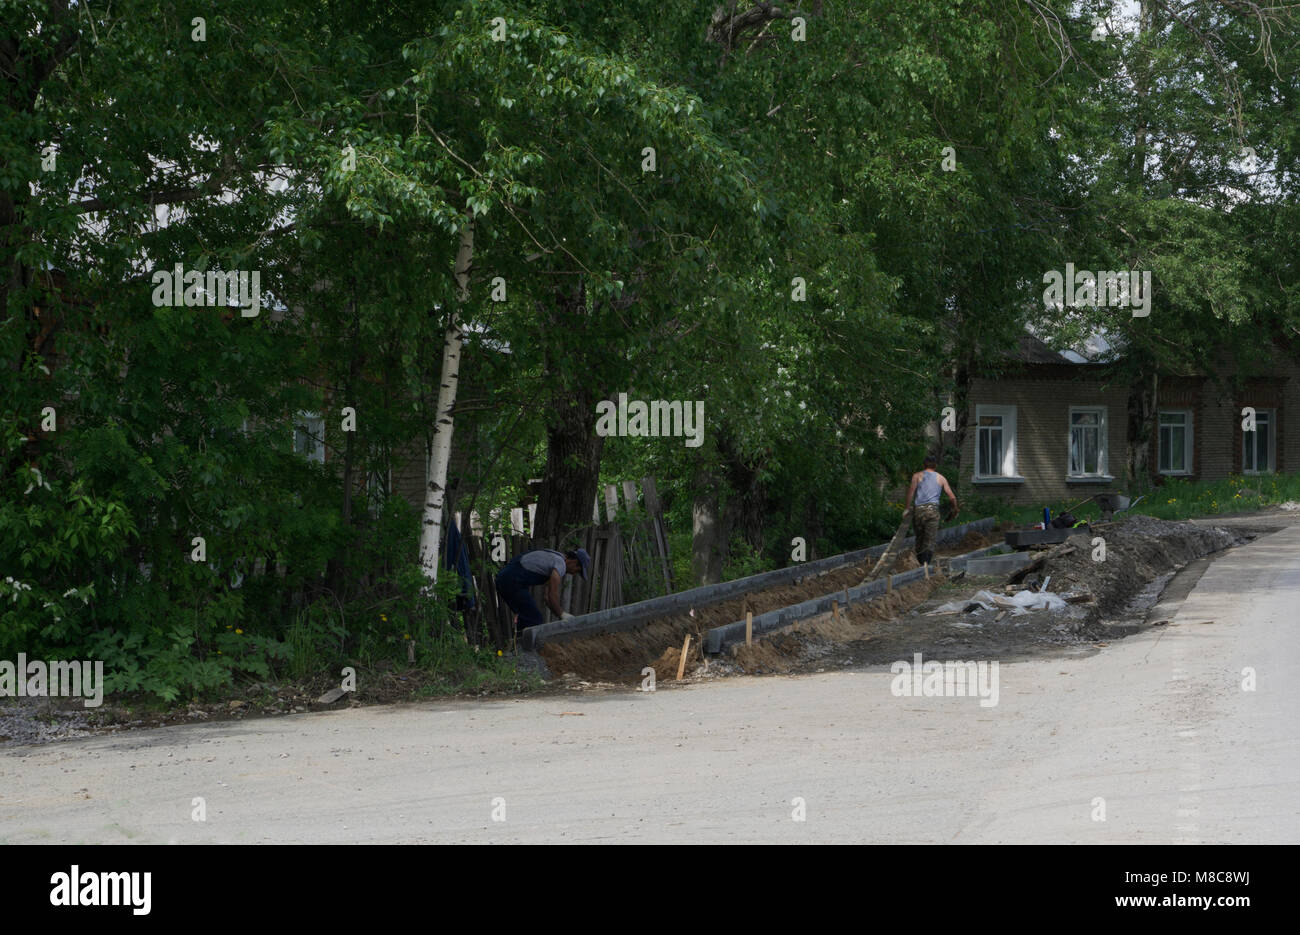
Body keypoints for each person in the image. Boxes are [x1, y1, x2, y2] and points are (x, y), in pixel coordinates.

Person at [495, 547, 591, 634]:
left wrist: (561, 615)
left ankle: (517, 647)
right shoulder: (560, 564)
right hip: (511, 581)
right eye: (577, 570)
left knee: (527, 617)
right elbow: (552, 595)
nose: (574, 573)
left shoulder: (555, 558)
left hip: (507, 579)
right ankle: (523, 650)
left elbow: (547, 598)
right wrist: (563, 615)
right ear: (574, 561)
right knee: (534, 620)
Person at [905, 455, 958, 566]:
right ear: (935, 465)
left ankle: (919, 564)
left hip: (918, 511)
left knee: (919, 538)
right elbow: (952, 497)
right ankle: (925, 566)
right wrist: (955, 508)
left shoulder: (917, 476)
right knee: (930, 540)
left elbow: (911, 492)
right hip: (933, 511)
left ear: (924, 464)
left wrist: (906, 508)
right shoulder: (941, 478)